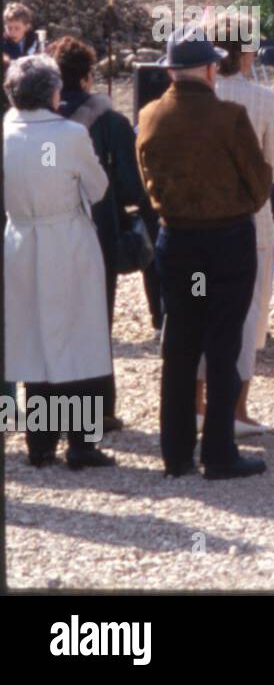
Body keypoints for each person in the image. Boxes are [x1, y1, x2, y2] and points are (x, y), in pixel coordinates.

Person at [136, 24, 273, 480]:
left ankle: (175, 453)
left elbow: (147, 180)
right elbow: (258, 185)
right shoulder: (230, 117)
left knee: (179, 344)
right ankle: (218, 451)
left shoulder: (151, 116)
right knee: (222, 344)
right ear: (210, 69)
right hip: (227, 243)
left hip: (177, 241)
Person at [4, 55, 116, 469]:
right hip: (67, 238)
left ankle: (41, 442)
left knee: (33, 337)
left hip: (21, 237)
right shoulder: (69, 134)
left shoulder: (5, 132)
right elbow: (98, 187)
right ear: (52, 92)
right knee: (78, 337)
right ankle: (82, 444)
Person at [49, 36, 149, 434]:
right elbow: (129, 186)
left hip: (46, 233)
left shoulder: (33, 122)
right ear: (89, 77)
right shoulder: (111, 122)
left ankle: (50, 419)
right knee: (93, 323)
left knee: (51, 323)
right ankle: (97, 412)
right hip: (97, 235)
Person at [191, 27, 274, 435]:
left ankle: (196, 403)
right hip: (251, 214)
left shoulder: (197, 98)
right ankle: (235, 407)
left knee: (199, 310)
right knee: (247, 314)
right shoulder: (264, 101)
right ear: (245, 55)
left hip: (198, 215)